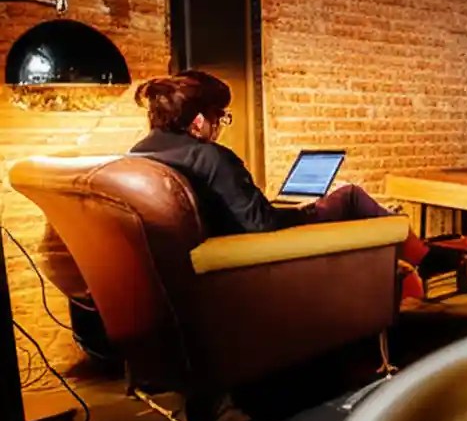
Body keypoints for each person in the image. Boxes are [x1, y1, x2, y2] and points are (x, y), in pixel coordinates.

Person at [130, 70, 430, 298]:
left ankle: (422, 257)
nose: (220, 126)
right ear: (198, 122)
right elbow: (262, 225)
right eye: (219, 116)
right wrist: (303, 212)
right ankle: (425, 259)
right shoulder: (210, 157)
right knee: (350, 196)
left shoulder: (137, 157)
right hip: (256, 257)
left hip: (207, 264)